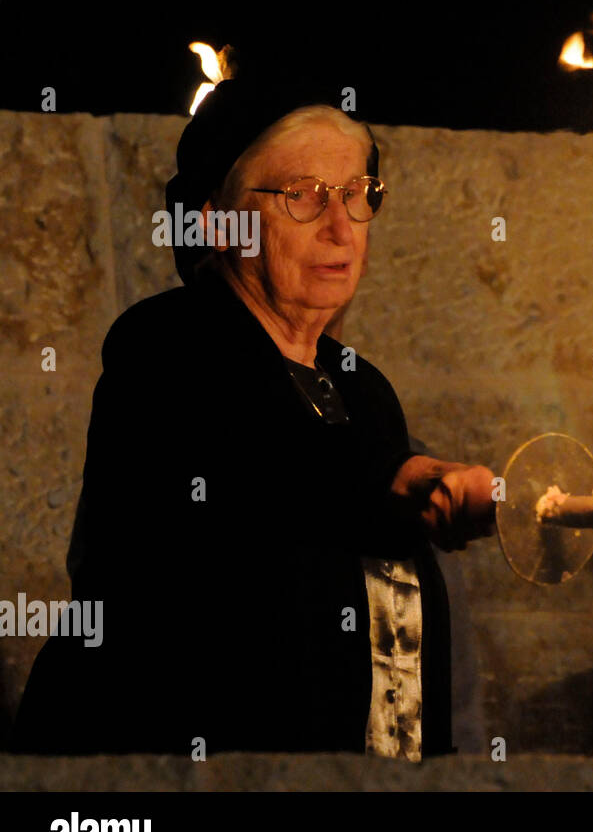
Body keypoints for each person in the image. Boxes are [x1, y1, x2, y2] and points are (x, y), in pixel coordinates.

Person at [12, 75, 496, 755]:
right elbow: (264, 470)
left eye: (357, 196)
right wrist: (408, 479)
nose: (340, 226)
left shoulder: (363, 391)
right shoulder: (167, 345)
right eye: (302, 196)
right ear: (216, 220)